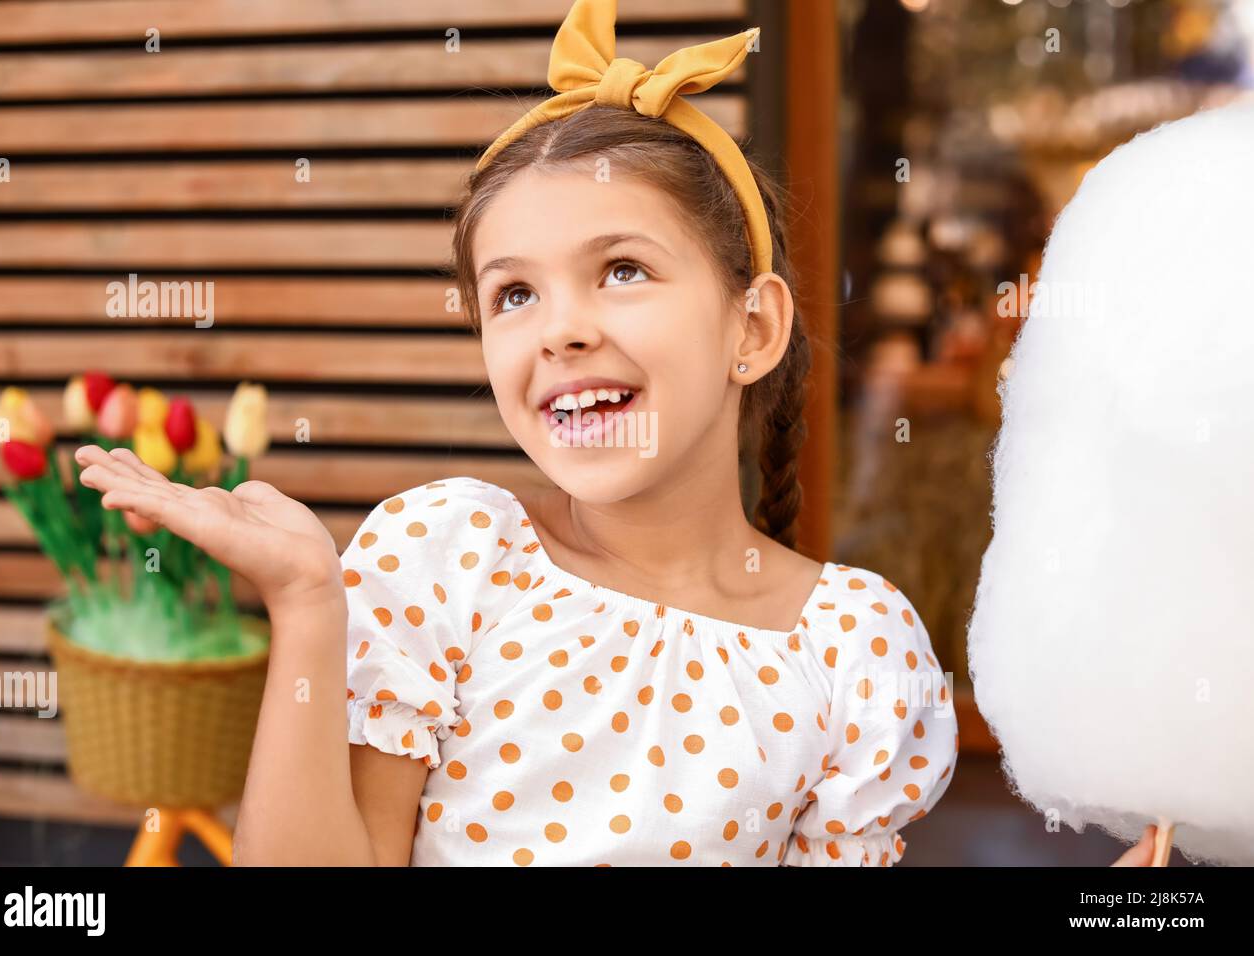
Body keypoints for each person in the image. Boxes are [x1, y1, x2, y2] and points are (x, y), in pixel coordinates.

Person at [72, 0, 1156, 867]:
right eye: (513, 295)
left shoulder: (853, 652)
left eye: (622, 270)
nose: (562, 330)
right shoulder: (446, 560)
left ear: (753, 325)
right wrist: (308, 604)